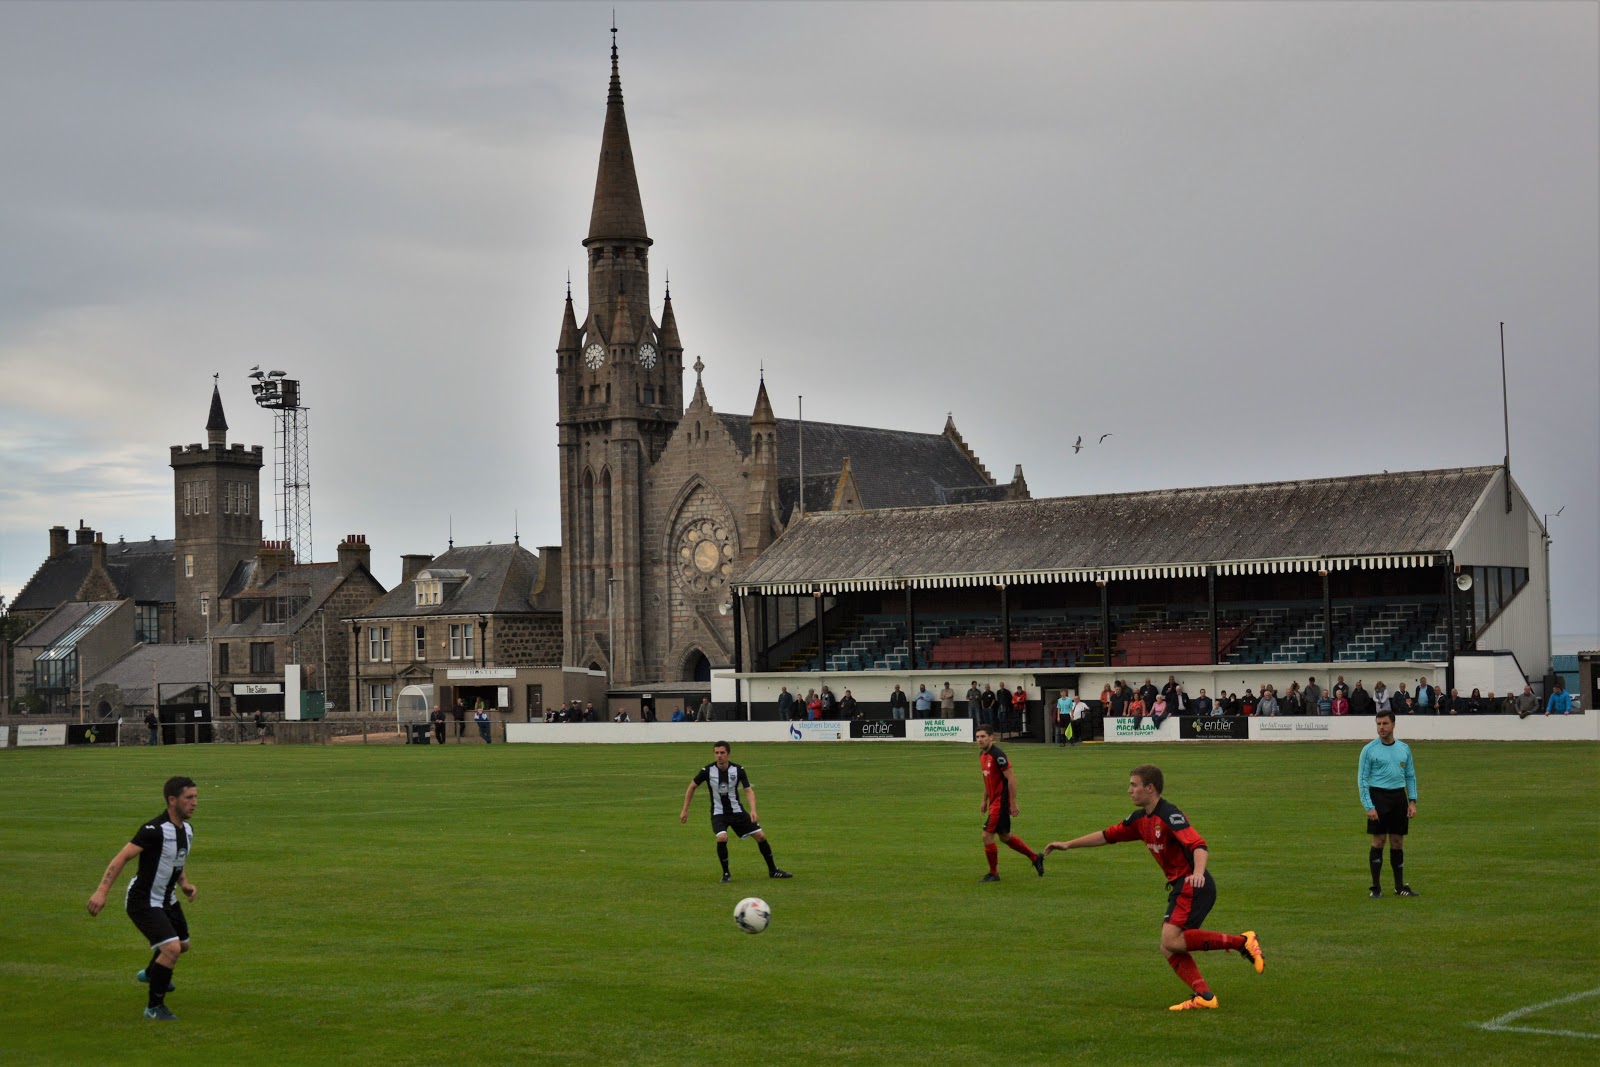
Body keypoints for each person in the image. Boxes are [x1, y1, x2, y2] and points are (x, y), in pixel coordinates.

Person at [1044, 766, 1265, 1011]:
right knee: (1168, 946)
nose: (1129, 790)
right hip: (1182, 886)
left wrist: (1198, 873)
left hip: (1192, 884)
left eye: (1134, 785)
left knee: (1170, 940)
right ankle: (1205, 995)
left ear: (1150, 788)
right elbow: (1107, 835)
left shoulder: (1170, 815)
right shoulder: (1140, 820)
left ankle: (1242, 942)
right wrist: (1068, 844)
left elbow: (1199, 845)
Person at [86, 776, 200, 1022]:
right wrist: (101, 891)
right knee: (171, 949)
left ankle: (152, 973)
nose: (195, 803)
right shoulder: (154, 830)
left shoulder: (187, 830)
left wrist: (184, 884)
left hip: (167, 899)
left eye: (195, 797)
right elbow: (122, 857)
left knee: (183, 946)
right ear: (172, 800)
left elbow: (177, 860)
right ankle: (154, 1008)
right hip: (143, 900)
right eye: (189, 798)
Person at [679, 741, 792, 882]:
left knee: (761, 836)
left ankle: (773, 871)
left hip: (737, 812)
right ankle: (726, 874)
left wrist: (753, 810)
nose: (719, 756)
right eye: (716, 753)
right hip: (718, 813)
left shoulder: (738, 769)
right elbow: (692, 786)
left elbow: (748, 790)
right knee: (722, 837)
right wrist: (685, 810)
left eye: (722, 753)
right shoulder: (707, 770)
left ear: (728, 754)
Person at [1360, 711, 1419, 898]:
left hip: (1399, 798)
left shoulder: (1404, 748)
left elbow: (1410, 775)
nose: (1381, 727)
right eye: (1378, 724)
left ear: (1393, 725)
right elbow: (1362, 780)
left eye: (1385, 723)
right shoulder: (1369, 750)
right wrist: (1369, 806)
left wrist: (1412, 801)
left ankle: (1399, 887)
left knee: (1397, 842)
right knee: (1378, 841)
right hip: (1378, 797)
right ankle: (1376, 888)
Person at [975, 725, 1044, 882]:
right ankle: (1035, 857)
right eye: (977, 737)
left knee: (986, 836)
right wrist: (984, 799)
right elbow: (988, 779)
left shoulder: (998, 755)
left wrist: (1012, 803)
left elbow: (1011, 779)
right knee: (1005, 837)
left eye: (983, 736)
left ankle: (994, 873)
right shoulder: (982, 755)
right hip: (993, 802)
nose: (980, 740)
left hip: (1000, 803)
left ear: (991, 737)